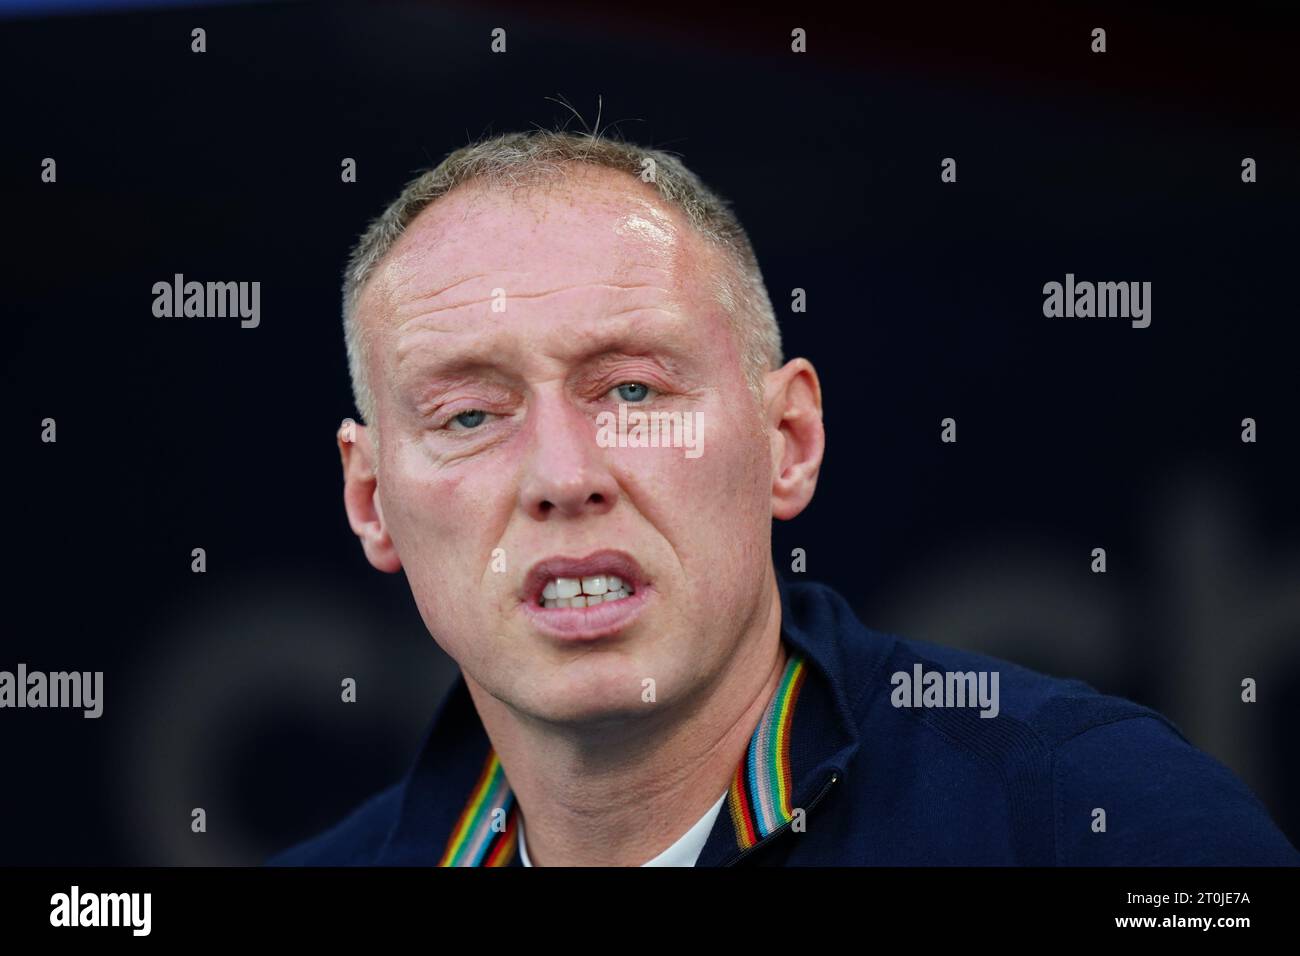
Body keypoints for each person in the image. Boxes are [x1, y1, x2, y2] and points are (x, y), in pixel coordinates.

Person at [267, 131, 1297, 866]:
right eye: (467, 416)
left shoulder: (1093, 818)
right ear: (370, 501)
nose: (561, 475)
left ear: (787, 441)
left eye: (632, 390)